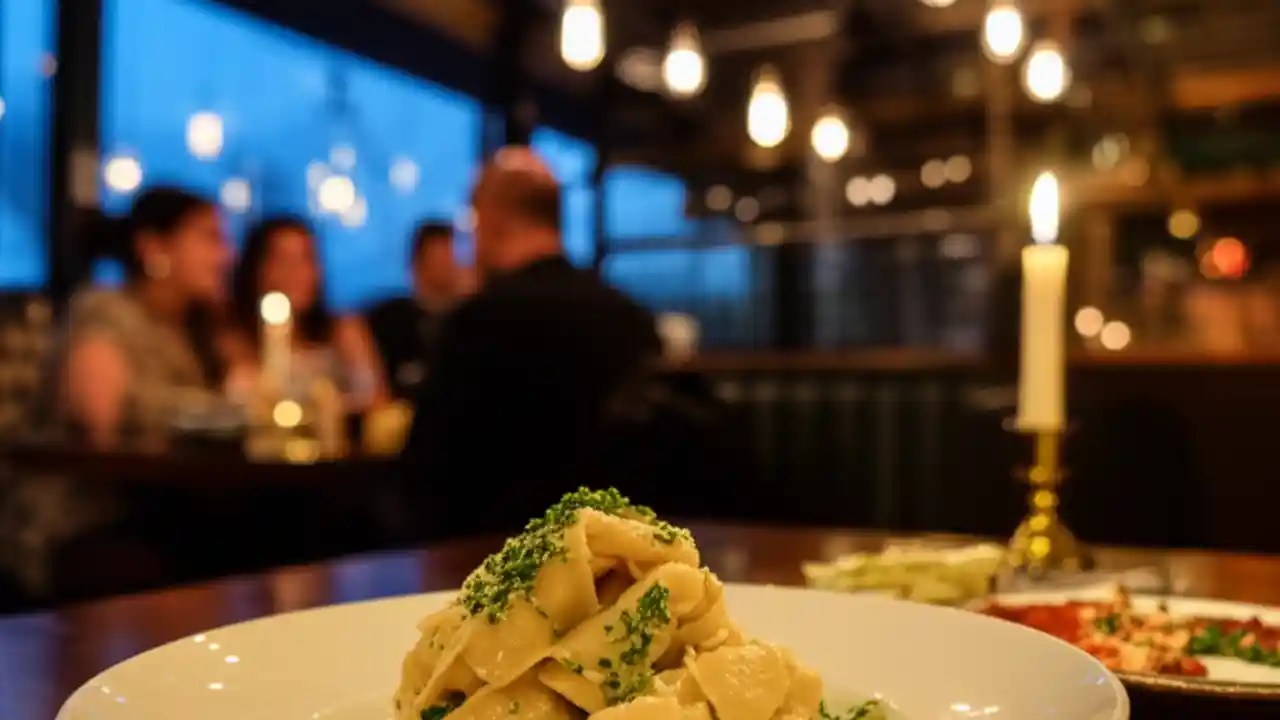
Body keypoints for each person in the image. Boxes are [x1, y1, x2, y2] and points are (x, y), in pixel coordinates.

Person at [401, 147, 662, 537]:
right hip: (613, 554)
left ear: (490, 217)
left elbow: (427, 471)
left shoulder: (478, 323)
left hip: (490, 559)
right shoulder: (631, 318)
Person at [52, 187, 232, 450]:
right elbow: (95, 428)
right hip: (94, 486)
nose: (226, 256)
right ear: (153, 248)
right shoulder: (106, 314)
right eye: (210, 238)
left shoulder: (189, 327)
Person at [226, 217, 387, 409]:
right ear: (256, 269)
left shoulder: (342, 331)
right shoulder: (233, 340)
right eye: (283, 260)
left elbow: (377, 400)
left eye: (306, 258)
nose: (296, 272)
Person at [365, 221, 467, 400]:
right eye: (437, 256)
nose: (446, 264)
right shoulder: (389, 319)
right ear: (416, 262)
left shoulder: (470, 321)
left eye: (449, 255)